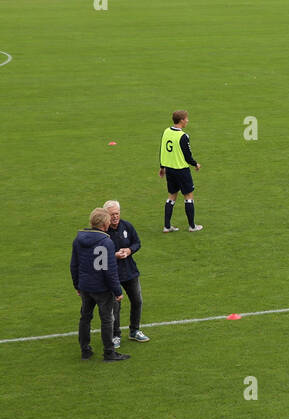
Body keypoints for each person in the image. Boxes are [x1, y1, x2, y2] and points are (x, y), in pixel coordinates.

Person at [70, 206, 129, 361]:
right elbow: (108, 270)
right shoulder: (105, 242)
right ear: (104, 224)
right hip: (101, 288)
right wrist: (117, 291)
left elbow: (74, 264)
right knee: (107, 319)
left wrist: (77, 284)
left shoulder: (78, 239)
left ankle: (85, 350)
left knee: (85, 317)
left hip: (85, 286)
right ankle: (109, 352)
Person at [105, 201, 149, 346]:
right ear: (106, 215)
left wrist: (129, 250)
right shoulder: (103, 231)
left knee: (137, 301)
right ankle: (115, 335)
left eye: (117, 213)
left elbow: (137, 242)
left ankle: (134, 330)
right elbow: (99, 253)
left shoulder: (127, 226)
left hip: (129, 271)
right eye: (112, 214)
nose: (115, 217)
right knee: (115, 306)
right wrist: (114, 255)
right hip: (112, 274)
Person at [159, 109, 202, 232]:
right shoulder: (183, 136)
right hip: (181, 170)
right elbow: (187, 156)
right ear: (182, 120)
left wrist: (162, 167)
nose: (187, 121)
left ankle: (167, 226)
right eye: (186, 119)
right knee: (188, 196)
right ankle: (192, 226)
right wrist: (196, 164)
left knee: (171, 196)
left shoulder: (166, 131)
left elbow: (162, 150)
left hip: (170, 170)